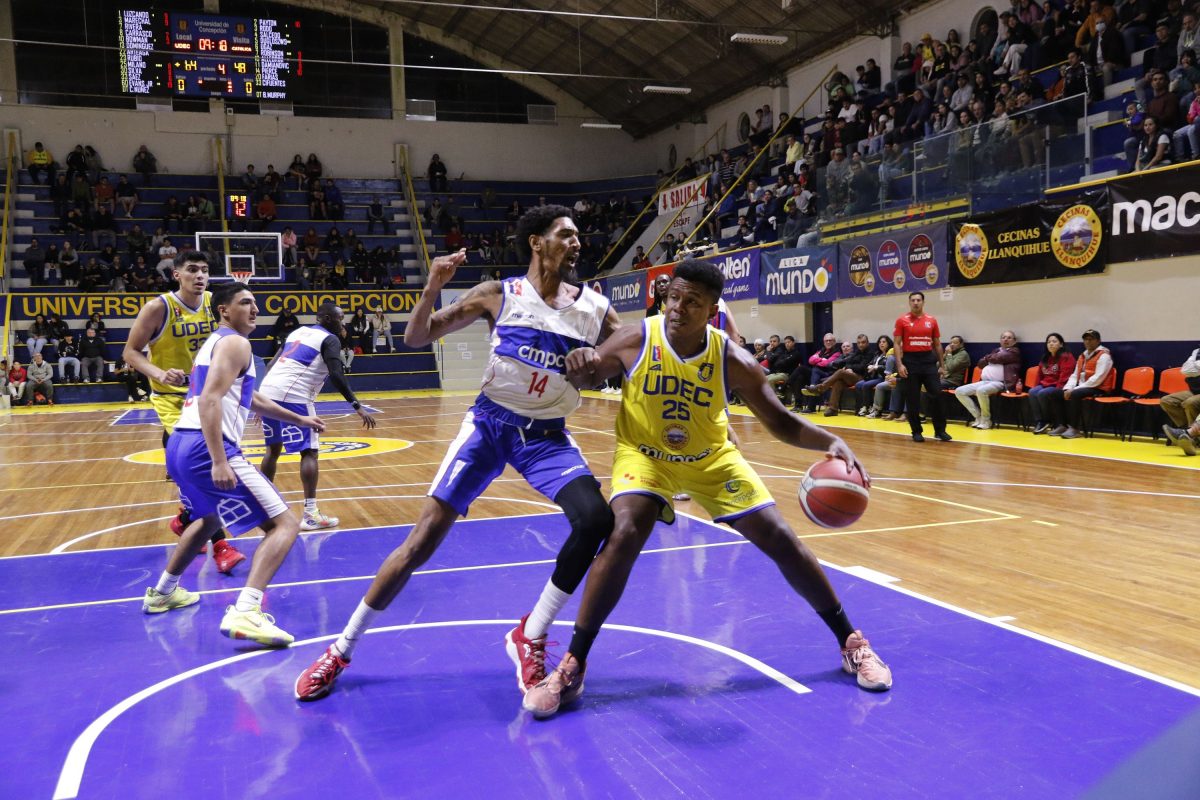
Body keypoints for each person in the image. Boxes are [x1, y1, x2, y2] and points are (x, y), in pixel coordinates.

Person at [522, 259, 890, 719]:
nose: (678, 308)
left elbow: (779, 421)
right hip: (645, 456)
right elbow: (591, 374)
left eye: (691, 302)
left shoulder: (732, 359)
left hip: (710, 459)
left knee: (780, 537)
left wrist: (830, 440)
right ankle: (573, 664)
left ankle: (851, 642)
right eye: (673, 297)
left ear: (712, 310)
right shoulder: (637, 338)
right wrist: (581, 364)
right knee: (624, 532)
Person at [293, 205, 621, 702]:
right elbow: (416, 336)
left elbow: (629, 356)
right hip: (489, 426)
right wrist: (432, 286)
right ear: (537, 242)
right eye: (566, 234)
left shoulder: (595, 308)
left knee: (596, 520)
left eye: (579, 236)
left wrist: (597, 363)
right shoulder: (499, 294)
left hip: (547, 436)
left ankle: (531, 632)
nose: (577, 242)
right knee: (420, 543)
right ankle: (339, 650)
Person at [142, 282, 325, 648]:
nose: (255, 308)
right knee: (284, 525)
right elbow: (210, 399)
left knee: (209, 519)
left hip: (180, 444)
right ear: (224, 310)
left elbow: (249, 397)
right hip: (205, 446)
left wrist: (298, 419)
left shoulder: (216, 343)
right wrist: (219, 460)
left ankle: (163, 592)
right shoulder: (237, 344)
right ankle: (246, 610)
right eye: (245, 302)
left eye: (255, 302)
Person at [123, 251, 246, 573]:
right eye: (192, 270)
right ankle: (221, 545)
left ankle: (187, 519)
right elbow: (130, 352)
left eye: (204, 270)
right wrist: (159, 373)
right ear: (176, 274)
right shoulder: (159, 307)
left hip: (208, 393)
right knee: (205, 465)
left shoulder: (216, 304)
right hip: (172, 399)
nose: (200, 275)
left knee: (202, 470)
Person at [258, 303, 377, 532]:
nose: (342, 322)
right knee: (309, 452)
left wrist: (262, 399)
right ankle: (311, 514)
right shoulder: (330, 339)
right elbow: (336, 374)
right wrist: (356, 405)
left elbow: (272, 363)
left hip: (269, 390)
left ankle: (262, 507)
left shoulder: (298, 331)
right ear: (326, 318)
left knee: (273, 450)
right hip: (294, 394)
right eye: (339, 318)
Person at [894, 291, 952, 442]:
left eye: (918, 300)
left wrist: (942, 365)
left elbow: (937, 344)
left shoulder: (931, 320)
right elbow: (897, 343)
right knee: (912, 399)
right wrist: (900, 364)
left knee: (937, 395)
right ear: (909, 302)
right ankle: (916, 431)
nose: (916, 302)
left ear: (923, 302)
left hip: (928, 361)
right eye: (913, 300)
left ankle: (940, 431)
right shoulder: (902, 320)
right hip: (910, 361)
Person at [955, 331, 1021, 429]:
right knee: (959, 391)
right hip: (985, 381)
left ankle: (986, 420)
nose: (1006, 339)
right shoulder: (996, 351)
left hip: (1001, 383)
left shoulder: (1015, 352)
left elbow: (1000, 358)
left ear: (1014, 341)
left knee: (981, 391)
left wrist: (987, 357)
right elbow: (980, 364)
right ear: (1000, 340)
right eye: (1003, 337)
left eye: (1009, 337)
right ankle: (978, 416)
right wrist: (990, 358)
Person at [1056, 329, 1115, 439]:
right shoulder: (1082, 356)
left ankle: (1075, 428)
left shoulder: (1104, 356)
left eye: (1091, 339)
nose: (1088, 341)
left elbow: (1098, 379)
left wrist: (1075, 389)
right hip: (1083, 387)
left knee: (1075, 394)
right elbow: (1075, 375)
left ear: (1098, 341)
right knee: (1059, 392)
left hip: (1099, 387)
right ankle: (1063, 425)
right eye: (1085, 339)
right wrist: (1068, 387)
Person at [1028, 333, 1076, 434]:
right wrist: (1036, 386)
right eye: (1049, 342)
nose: (1051, 344)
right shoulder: (1046, 357)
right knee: (1032, 392)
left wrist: (1058, 389)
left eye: (1054, 341)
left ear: (1061, 344)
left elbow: (1065, 375)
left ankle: (1048, 420)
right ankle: (1040, 421)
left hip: (1058, 385)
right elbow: (1040, 375)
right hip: (1045, 384)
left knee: (1042, 393)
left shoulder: (1066, 356)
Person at [1160, 345, 1200, 431]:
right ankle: (1185, 429)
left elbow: (1193, 368)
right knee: (1166, 401)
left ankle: (1193, 433)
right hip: (1194, 390)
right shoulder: (1196, 352)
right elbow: (1186, 370)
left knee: (1190, 402)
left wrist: (1195, 367)